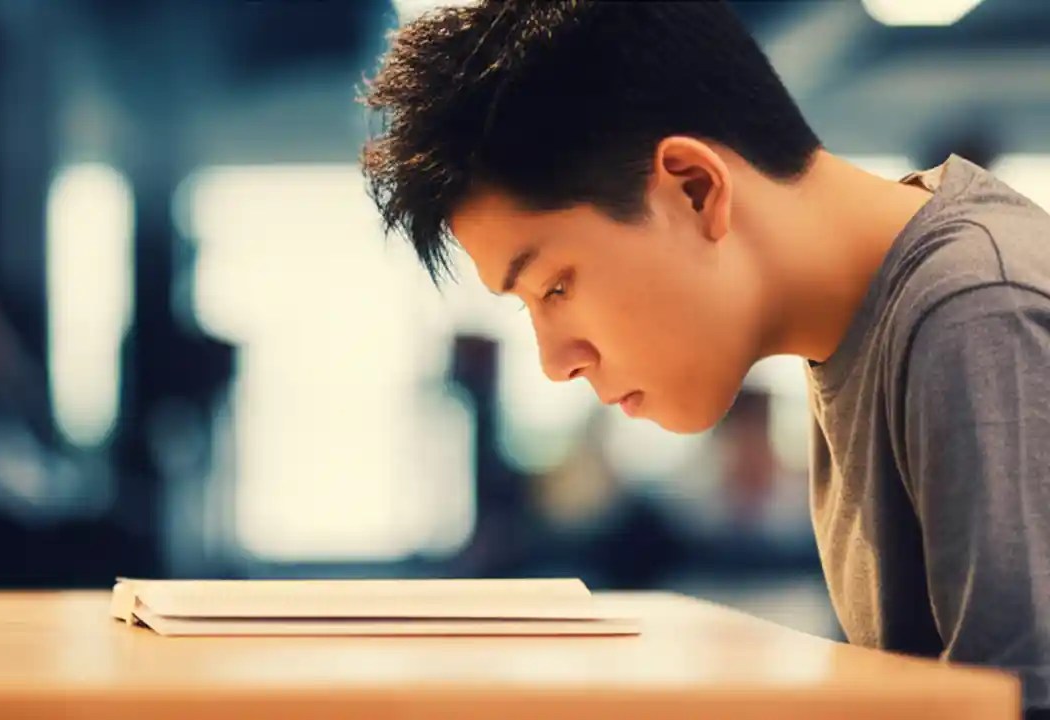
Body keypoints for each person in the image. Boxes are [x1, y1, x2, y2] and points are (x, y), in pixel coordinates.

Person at [359, 1, 1050, 715]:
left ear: (694, 188)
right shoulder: (859, 325)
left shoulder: (977, 310)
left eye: (556, 285)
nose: (555, 361)